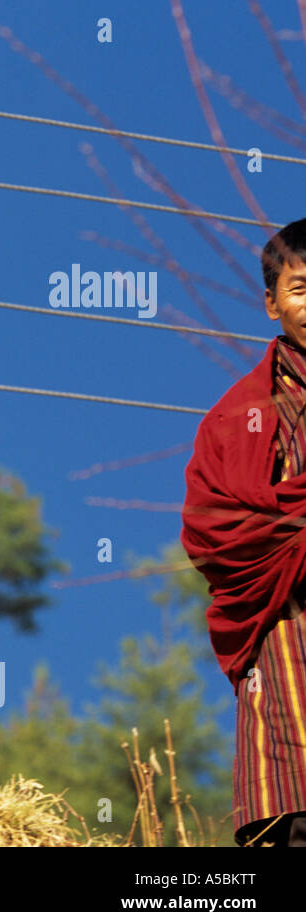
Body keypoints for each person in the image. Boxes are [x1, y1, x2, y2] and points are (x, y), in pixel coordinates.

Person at [182, 218, 306, 846]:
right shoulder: (241, 416)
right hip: (285, 646)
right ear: (271, 303)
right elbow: (216, 530)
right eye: (302, 288)